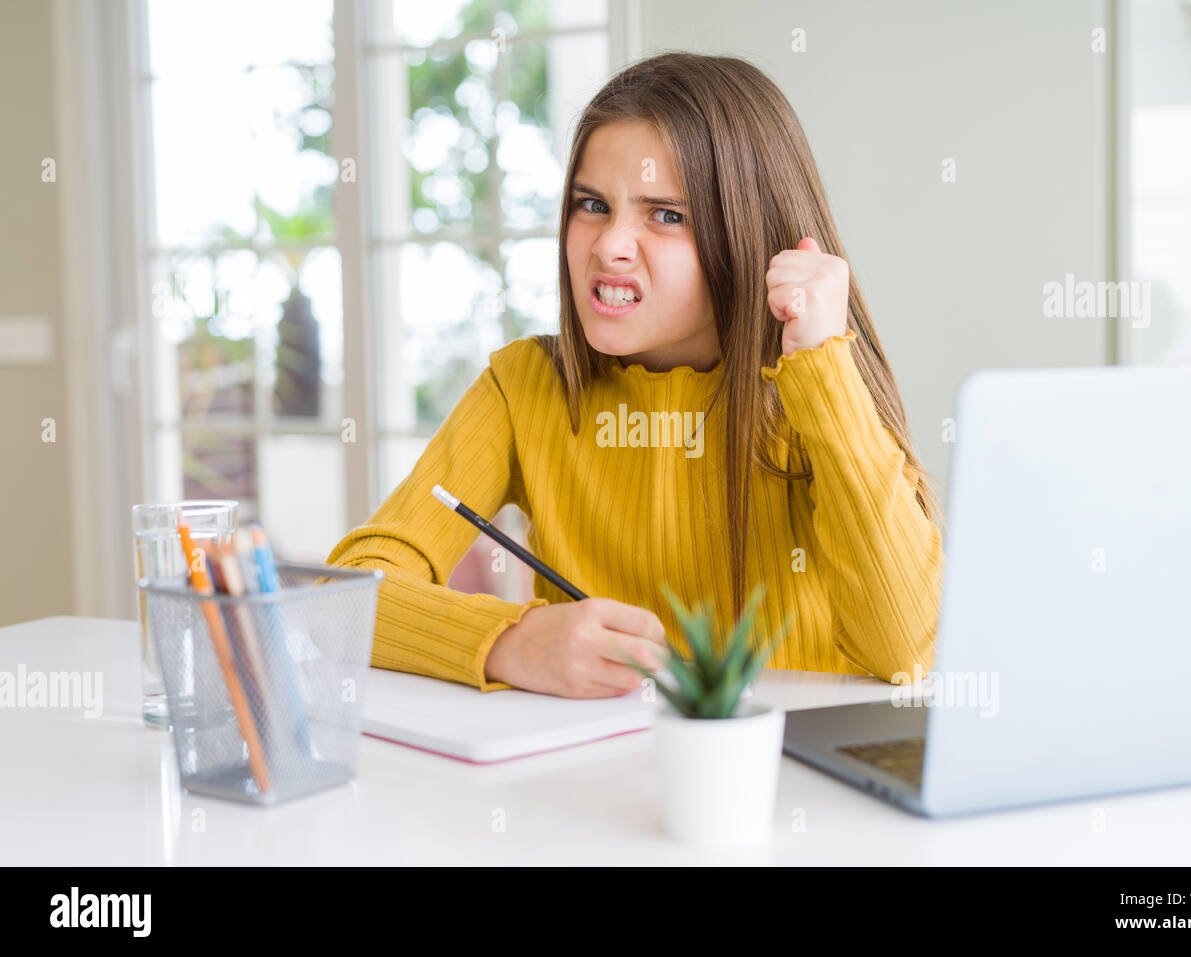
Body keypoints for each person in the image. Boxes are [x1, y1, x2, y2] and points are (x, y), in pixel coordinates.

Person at [327, 52, 944, 699]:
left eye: (666, 214)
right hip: (591, 783)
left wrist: (823, 367)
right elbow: (348, 598)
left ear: (751, 233)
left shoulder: (813, 388)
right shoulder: (525, 386)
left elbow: (903, 647)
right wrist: (511, 639)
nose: (608, 244)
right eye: (592, 204)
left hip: (786, 784)